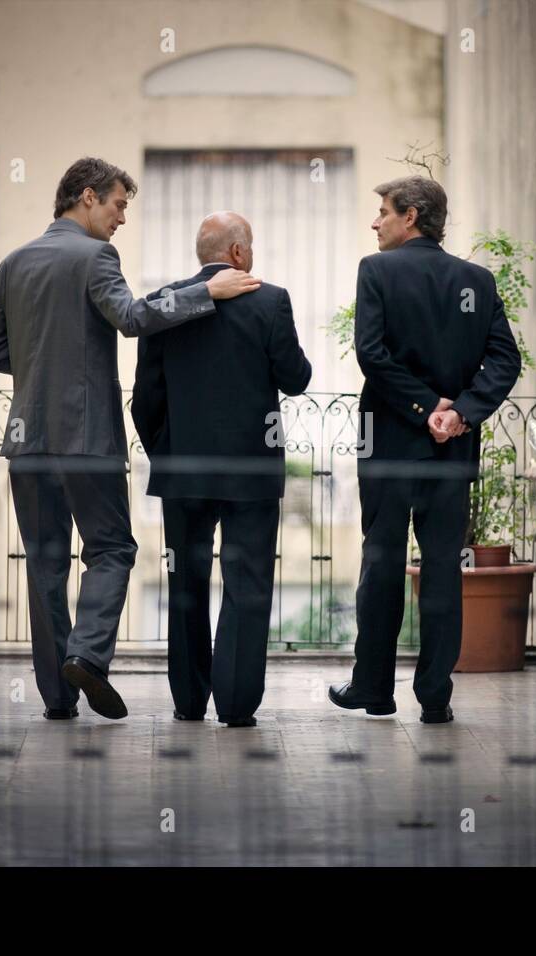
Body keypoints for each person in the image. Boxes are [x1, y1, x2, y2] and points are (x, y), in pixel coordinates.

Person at [0, 158, 260, 720]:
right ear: (87, 197)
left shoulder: (13, 263)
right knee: (111, 550)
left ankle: (58, 699)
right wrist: (208, 291)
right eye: (118, 205)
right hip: (86, 440)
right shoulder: (95, 257)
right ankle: (86, 655)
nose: (122, 219)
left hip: (26, 442)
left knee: (44, 565)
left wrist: (45, 367)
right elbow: (132, 318)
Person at [328, 176, 521, 724]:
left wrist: (423, 408)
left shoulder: (377, 270)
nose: (376, 222)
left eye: (382, 212)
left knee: (382, 566)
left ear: (410, 216)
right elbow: (506, 360)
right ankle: (435, 696)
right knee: (443, 571)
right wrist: (457, 411)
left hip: (389, 445)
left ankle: (374, 689)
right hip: (452, 452)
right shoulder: (477, 280)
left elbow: (372, 353)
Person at [132, 212, 311, 727]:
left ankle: (189, 702)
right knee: (247, 584)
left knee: (185, 583)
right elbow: (295, 380)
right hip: (250, 473)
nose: (252, 255)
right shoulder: (270, 300)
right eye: (250, 246)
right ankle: (236, 705)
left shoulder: (164, 303)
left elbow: (146, 399)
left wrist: (165, 454)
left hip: (183, 472)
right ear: (236, 253)